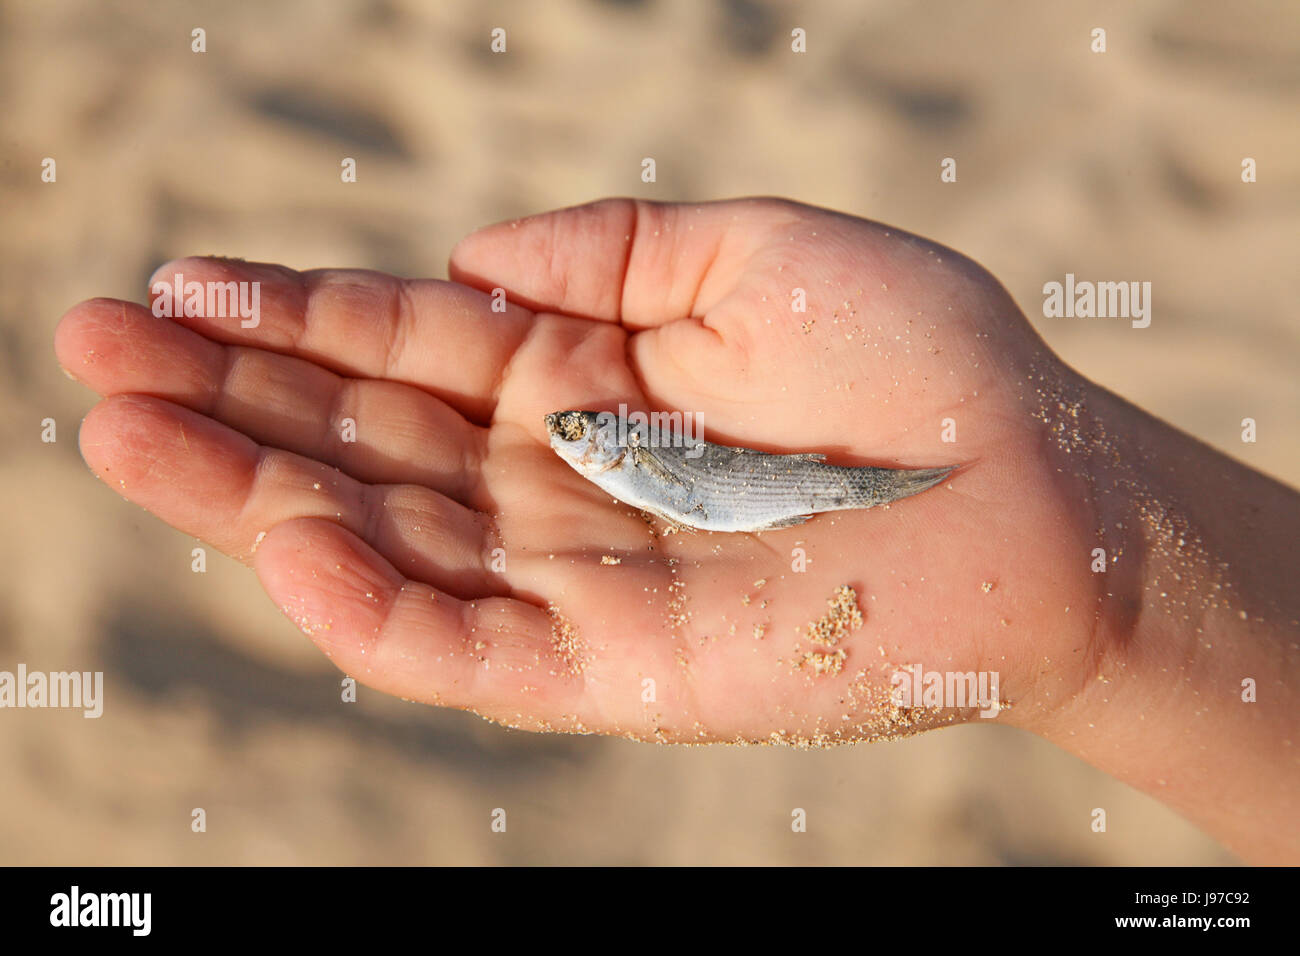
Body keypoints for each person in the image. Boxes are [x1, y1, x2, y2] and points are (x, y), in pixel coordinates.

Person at [54, 198, 1299, 864]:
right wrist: (1112, 580)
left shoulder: (638, 452)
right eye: (589, 441)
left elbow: (702, 480)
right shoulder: (627, 453)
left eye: (594, 439)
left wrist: (1099, 544)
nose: (584, 447)